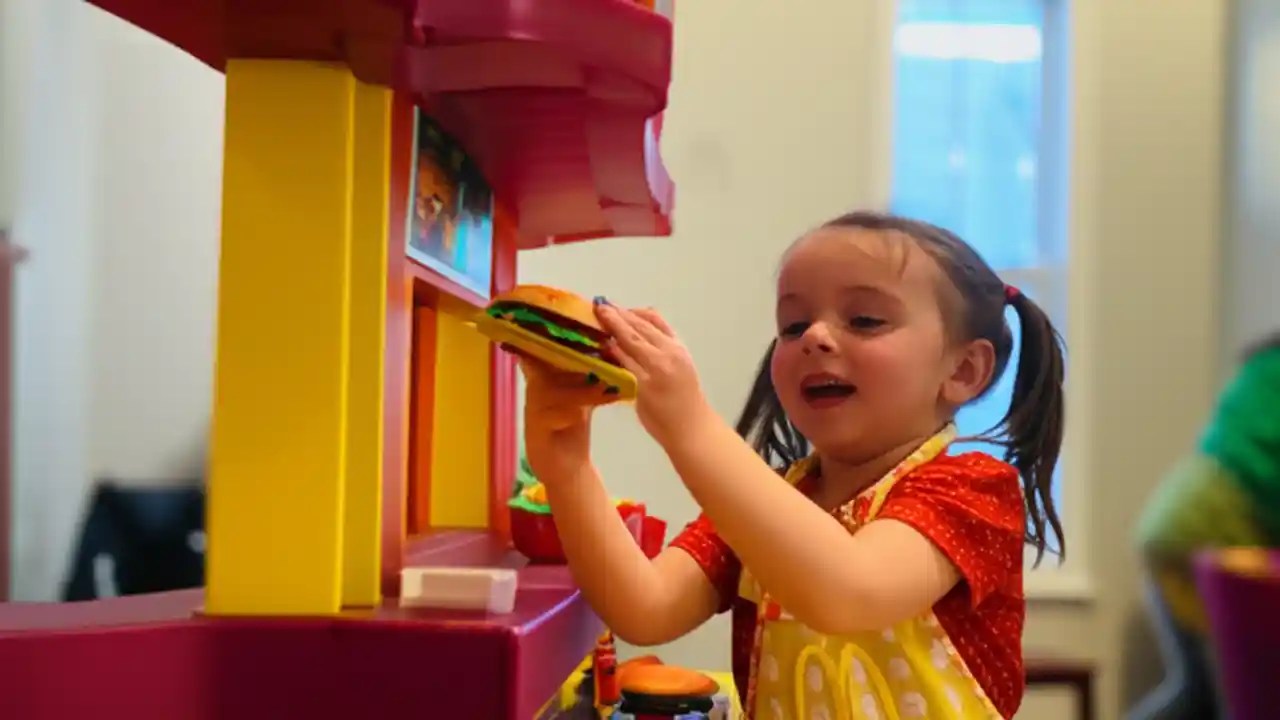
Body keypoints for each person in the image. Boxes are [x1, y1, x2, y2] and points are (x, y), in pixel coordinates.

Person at [522, 211, 1067, 719]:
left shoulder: (974, 488)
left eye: (865, 319)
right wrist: (568, 466)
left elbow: (851, 591)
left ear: (965, 370)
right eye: (792, 325)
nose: (816, 337)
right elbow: (645, 608)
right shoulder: (767, 504)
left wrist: (691, 427)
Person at [1129, 333, 1280, 720]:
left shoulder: (1264, 368)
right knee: (1216, 696)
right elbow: (1267, 479)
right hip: (1208, 537)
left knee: (1203, 692)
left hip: (1178, 526)